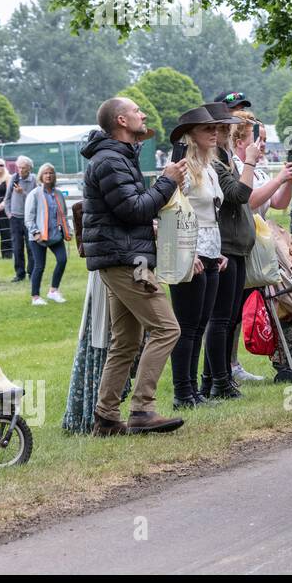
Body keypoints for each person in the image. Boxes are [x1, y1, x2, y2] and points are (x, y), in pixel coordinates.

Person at [82, 96, 186, 435]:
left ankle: (107, 418)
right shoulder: (111, 160)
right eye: (136, 110)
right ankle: (142, 410)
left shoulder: (118, 157)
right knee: (167, 328)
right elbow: (133, 210)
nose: (143, 113)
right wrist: (167, 181)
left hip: (122, 258)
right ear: (121, 121)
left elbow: (130, 212)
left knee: (125, 342)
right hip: (127, 262)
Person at [166, 106, 235, 408]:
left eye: (216, 129)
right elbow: (171, 212)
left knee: (200, 322)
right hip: (189, 249)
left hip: (210, 249)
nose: (214, 133)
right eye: (207, 129)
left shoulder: (208, 167)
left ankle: (193, 391)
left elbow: (211, 214)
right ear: (190, 134)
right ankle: (183, 392)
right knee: (187, 325)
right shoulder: (181, 168)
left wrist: (218, 252)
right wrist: (187, 252)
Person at [226, 106, 292, 382]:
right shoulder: (236, 166)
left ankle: (234, 365)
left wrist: (288, 180)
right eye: (259, 138)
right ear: (239, 141)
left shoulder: (259, 169)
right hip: (240, 243)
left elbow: (278, 202)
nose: (264, 144)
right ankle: (227, 367)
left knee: (252, 303)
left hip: (259, 245)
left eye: (266, 138)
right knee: (233, 309)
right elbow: (250, 201)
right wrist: (280, 178)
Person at [201, 101, 259, 399]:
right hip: (224, 246)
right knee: (221, 318)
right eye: (221, 127)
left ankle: (214, 379)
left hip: (235, 245)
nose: (225, 132)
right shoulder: (215, 161)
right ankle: (218, 382)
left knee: (230, 317)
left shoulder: (224, 159)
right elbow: (238, 195)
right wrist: (249, 162)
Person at [63, 201, 109, 434]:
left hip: (116, 266)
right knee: (100, 339)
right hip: (106, 273)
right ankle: (94, 412)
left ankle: (101, 410)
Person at [26, 163, 70, 307]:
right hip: (38, 237)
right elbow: (29, 217)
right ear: (41, 176)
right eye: (45, 173)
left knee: (62, 260)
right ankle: (35, 297)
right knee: (39, 266)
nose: (48, 175)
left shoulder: (58, 194)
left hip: (55, 235)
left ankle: (53, 291)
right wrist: (35, 232)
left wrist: (67, 230)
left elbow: (63, 214)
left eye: (51, 173)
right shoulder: (35, 194)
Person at [4, 156, 36, 283]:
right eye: (19, 167)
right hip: (15, 218)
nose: (20, 170)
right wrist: (9, 213)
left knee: (31, 247)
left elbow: (35, 199)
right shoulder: (14, 178)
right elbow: (7, 198)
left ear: (29, 168)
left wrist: (22, 192)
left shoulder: (33, 180)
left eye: (23, 168)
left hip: (29, 219)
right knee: (17, 248)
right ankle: (19, 273)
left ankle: (32, 272)